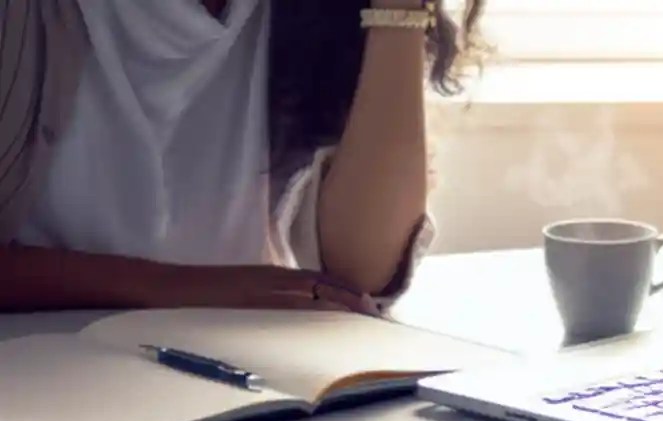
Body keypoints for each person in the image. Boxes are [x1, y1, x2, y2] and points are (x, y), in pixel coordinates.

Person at [0, 0, 486, 314]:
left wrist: (397, 12)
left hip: (238, 382)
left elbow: (363, 270)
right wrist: (178, 289)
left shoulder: (311, 15)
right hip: (39, 389)